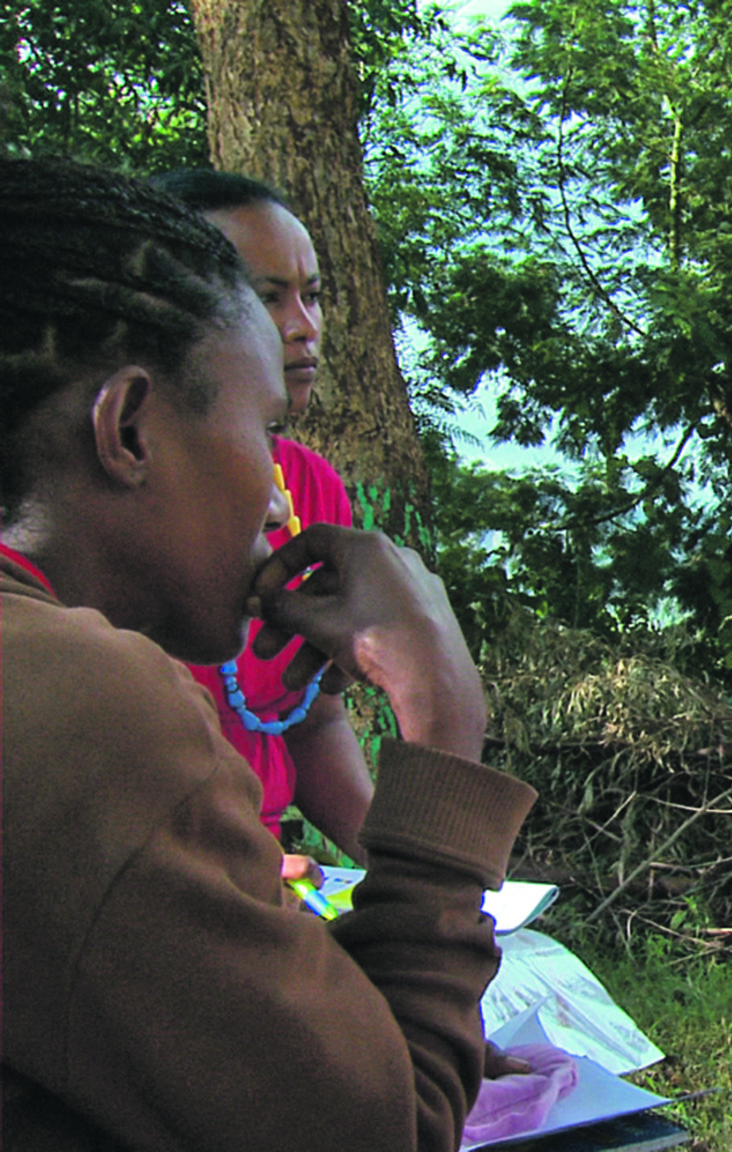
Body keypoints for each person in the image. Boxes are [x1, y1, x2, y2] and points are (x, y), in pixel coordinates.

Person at [1, 157, 536, 1149]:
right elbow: (384, 1133)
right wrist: (445, 728)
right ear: (125, 428)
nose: (274, 489)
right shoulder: (77, 706)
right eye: (258, 427)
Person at [148, 168, 374, 864]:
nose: (302, 328)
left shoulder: (310, 487)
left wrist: (404, 874)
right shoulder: (117, 503)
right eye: (265, 298)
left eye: (312, 296)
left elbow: (310, 721)